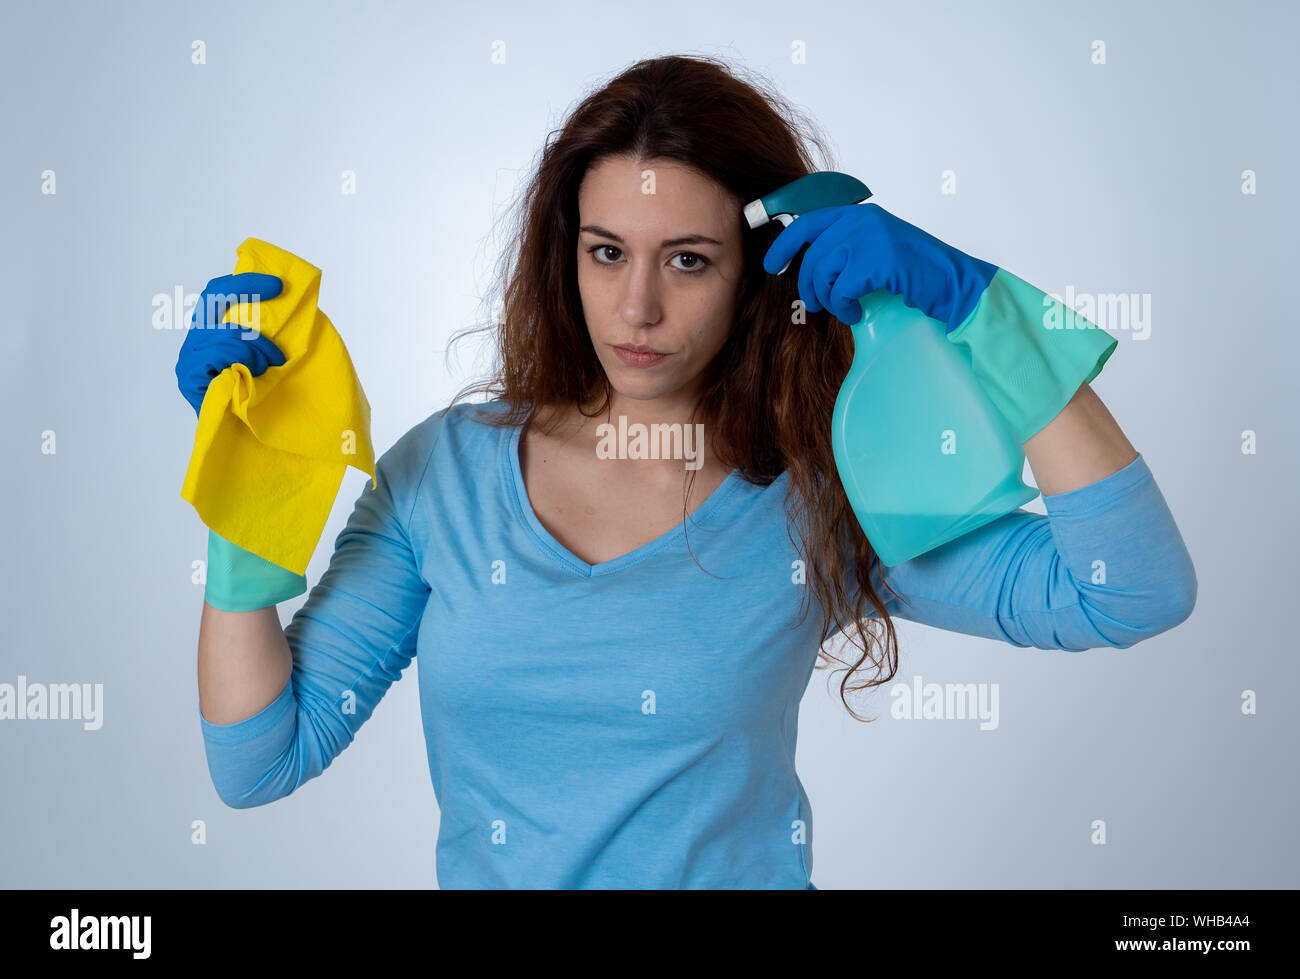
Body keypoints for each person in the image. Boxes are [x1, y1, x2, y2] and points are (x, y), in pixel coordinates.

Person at [180, 55, 1196, 890]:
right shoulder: (444, 475)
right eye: (607, 251)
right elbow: (260, 759)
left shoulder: (816, 492)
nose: (636, 309)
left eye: (689, 259)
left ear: (761, 272)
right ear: (563, 255)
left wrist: (986, 315)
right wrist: (251, 471)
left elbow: (1129, 593)